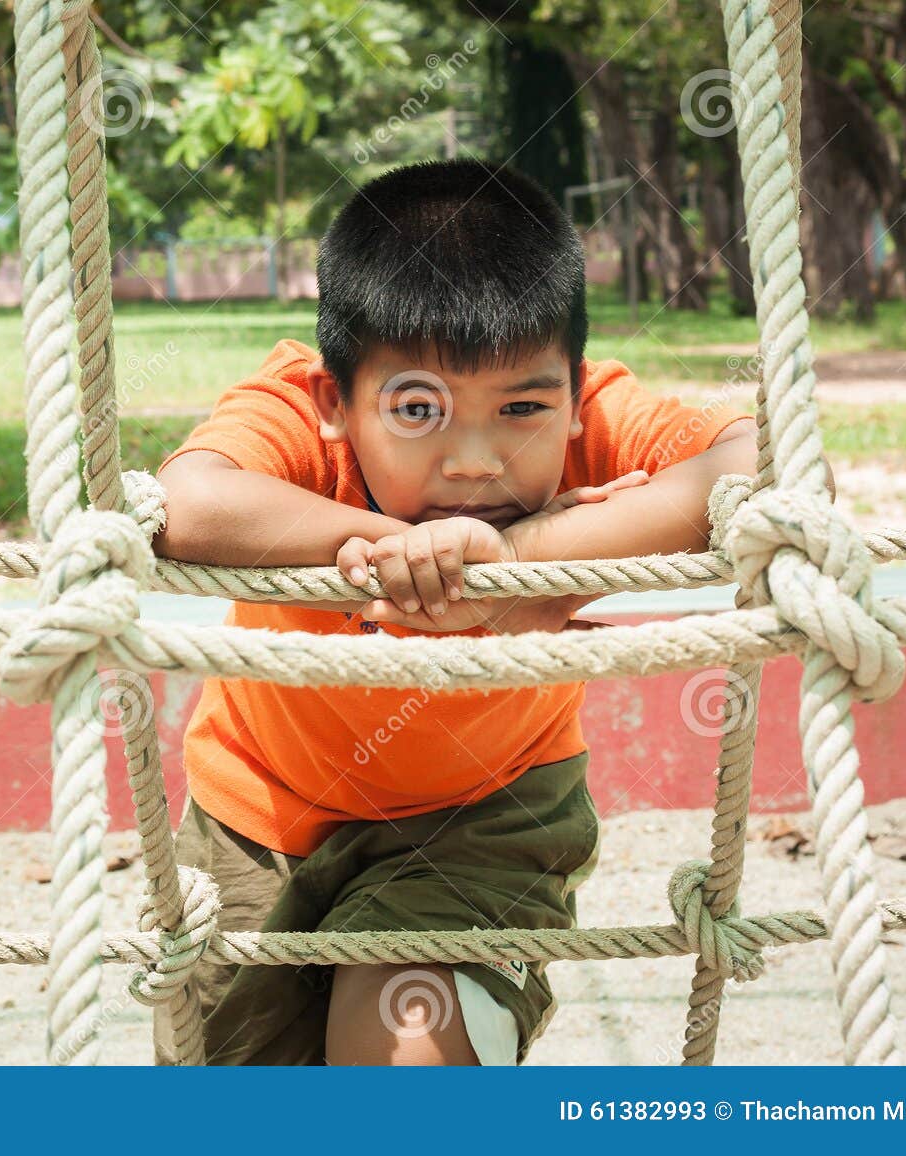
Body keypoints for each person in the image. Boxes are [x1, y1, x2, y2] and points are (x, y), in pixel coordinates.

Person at [151, 157, 760, 1065]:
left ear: (572, 389)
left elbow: (763, 469)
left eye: (520, 408)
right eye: (418, 408)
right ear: (335, 402)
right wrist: (391, 553)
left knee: (403, 1045)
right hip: (258, 817)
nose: (476, 461)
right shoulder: (292, 407)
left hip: (486, 819)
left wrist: (532, 562)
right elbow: (189, 505)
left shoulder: (588, 413)